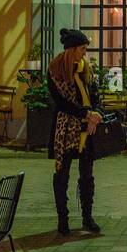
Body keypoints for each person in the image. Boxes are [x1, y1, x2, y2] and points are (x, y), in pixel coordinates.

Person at [47, 28, 104, 236]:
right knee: (62, 175)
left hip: (87, 129)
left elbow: (96, 96)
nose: (84, 53)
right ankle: (63, 219)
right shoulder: (55, 71)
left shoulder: (85, 69)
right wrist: (85, 114)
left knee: (87, 176)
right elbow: (61, 103)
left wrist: (95, 114)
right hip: (66, 130)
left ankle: (87, 218)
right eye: (82, 48)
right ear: (71, 49)